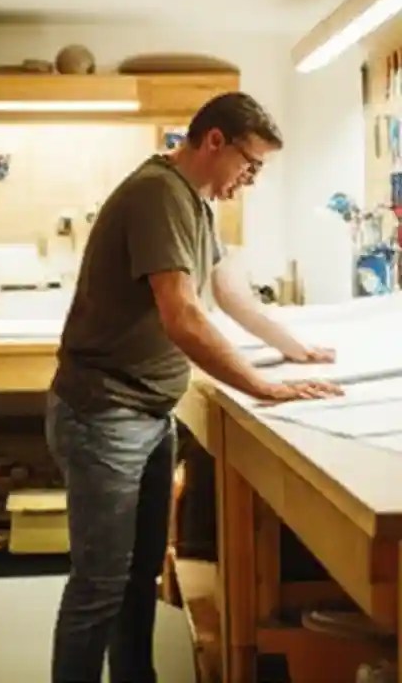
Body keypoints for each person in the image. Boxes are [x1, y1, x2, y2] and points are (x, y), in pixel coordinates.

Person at [45, 91, 344, 682]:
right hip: (106, 413)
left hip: (148, 411)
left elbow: (227, 291)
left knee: (139, 577)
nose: (251, 179)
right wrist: (262, 387)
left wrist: (292, 347)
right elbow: (182, 314)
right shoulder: (159, 194)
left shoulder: (197, 201)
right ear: (214, 141)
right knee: (100, 585)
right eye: (250, 164)